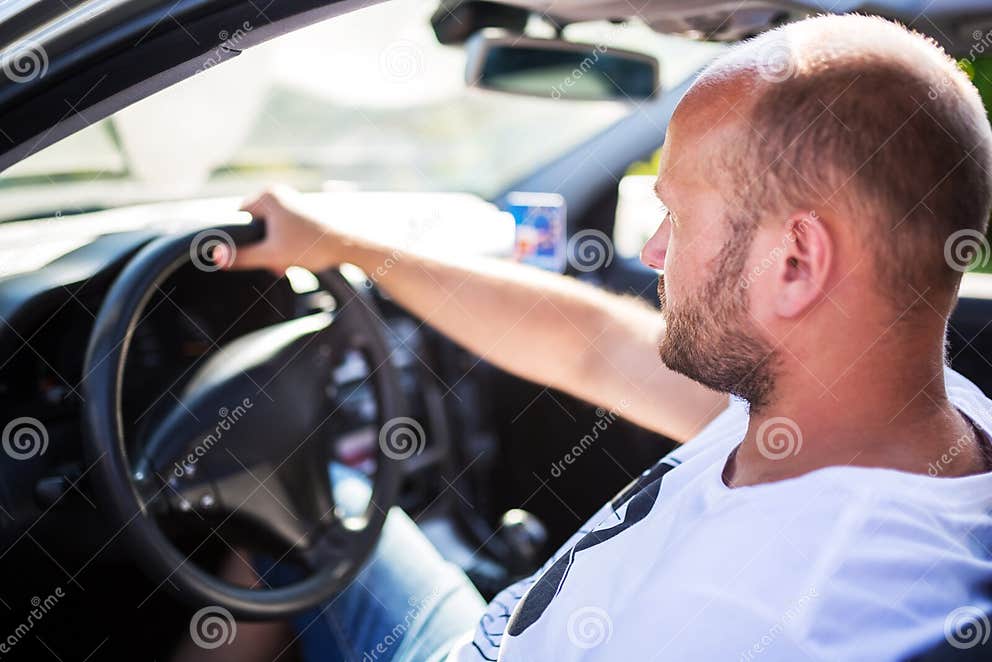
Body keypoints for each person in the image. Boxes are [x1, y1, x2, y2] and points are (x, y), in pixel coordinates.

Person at [204, 13, 992, 661]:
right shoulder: (903, 408)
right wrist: (343, 241)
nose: (651, 252)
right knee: (303, 511)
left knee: (289, 500)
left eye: (676, 216)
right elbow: (594, 344)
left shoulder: (753, 622)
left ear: (794, 262)